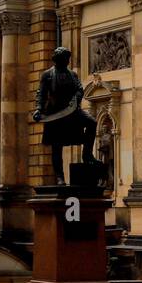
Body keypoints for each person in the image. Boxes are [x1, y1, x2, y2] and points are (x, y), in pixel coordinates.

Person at [32, 47, 99, 185]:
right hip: (55, 114)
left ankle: (87, 154)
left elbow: (80, 89)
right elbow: (41, 94)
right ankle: (59, 177)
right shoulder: (47, 75)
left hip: (72, 111)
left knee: (92, 122)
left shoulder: (73, 74)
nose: (68, 62)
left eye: (68, 59)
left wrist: (77, 98)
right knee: (57, 146)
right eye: (66, 59)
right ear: (58, 60)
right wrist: (38, 109)